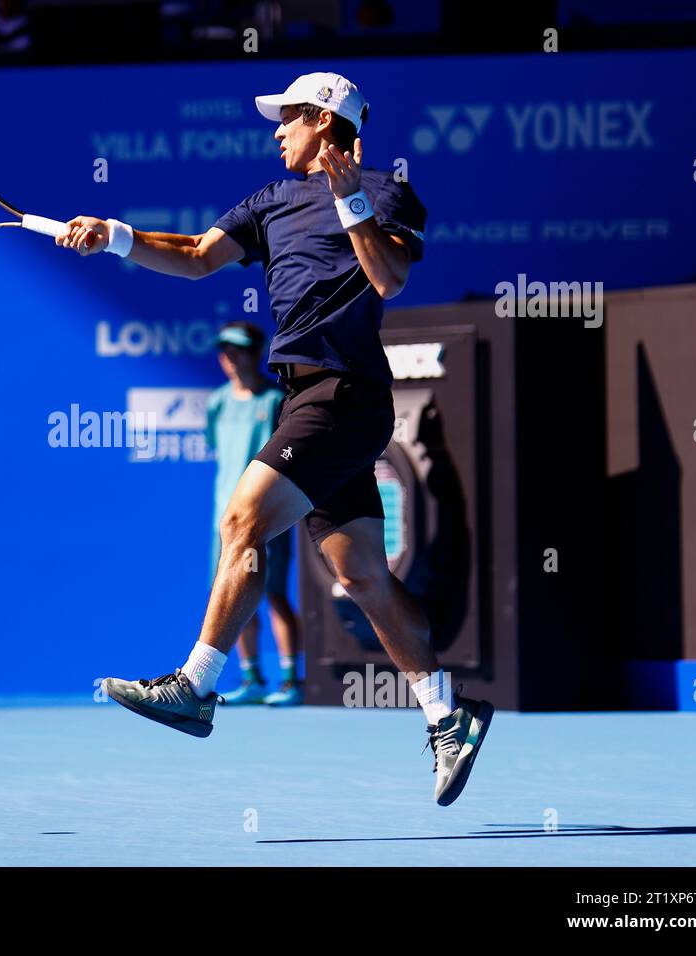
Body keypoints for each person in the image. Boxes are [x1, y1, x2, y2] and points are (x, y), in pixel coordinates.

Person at [58, 71, 492, 805]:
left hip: (342, 396)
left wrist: (349, 197)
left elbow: (387, 279)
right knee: (362, 578)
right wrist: (116, 239)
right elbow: (196, 256)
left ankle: (195, 687)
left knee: (241, 519)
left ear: (325, 121)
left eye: (287, 119)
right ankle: (448, 714)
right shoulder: (270, 199)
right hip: (307, 398)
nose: (276, 131)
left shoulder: (387, 192)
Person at [206, 321, 301, 706]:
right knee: (231, 594)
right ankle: (252, 679)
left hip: (268, 518)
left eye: (238, 349)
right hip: (225, 521)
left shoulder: (276, 401)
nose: (229, 357)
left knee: (274, 593)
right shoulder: (217, 403)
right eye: (224, 349)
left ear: (255, 353)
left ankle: (292, 682)